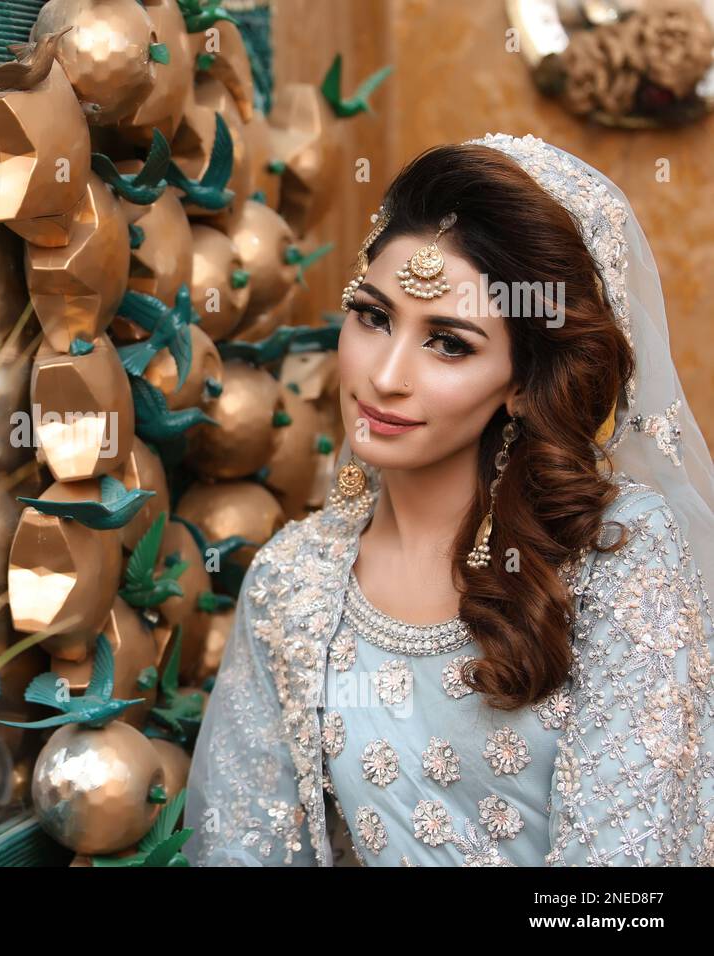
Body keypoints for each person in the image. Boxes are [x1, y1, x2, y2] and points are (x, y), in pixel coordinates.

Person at [184, 133, 714, 866]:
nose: (386, 376)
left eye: (450, 343)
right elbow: (246, 847)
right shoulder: (292, 584)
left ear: (527, 382)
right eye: (373, 316)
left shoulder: (615, 553)